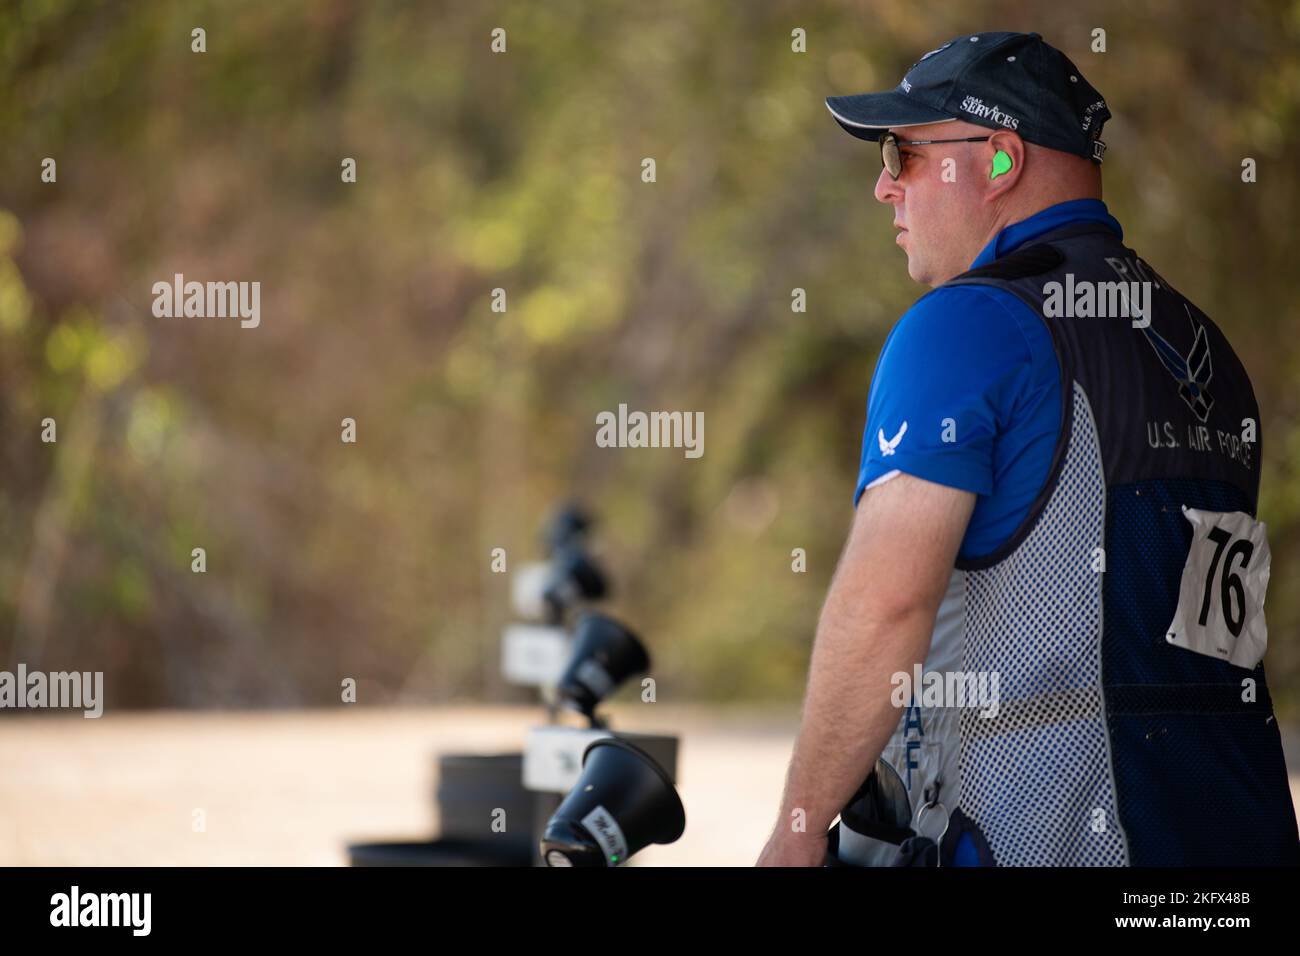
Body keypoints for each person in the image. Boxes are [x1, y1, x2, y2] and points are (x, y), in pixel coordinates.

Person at [757, 31, 1299, 866]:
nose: (882, 187)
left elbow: (885, 607)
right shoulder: (1201, 344)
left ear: (1000, 161)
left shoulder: (967, 325)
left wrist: (794, 836)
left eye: (903, 153)